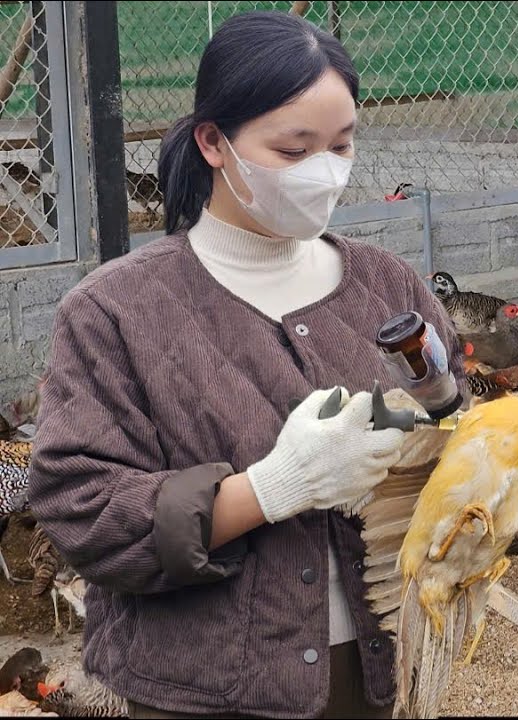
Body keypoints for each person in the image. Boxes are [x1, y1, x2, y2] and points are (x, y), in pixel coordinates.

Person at [27, 11, 467, 719]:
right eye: (294, 150)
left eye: (341, 145)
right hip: (205, 689)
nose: (324, 171)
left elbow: (451, 414)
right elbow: (89, 517)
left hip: (377, 667)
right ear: (213, 142)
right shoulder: (115, 313)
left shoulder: (387, 286)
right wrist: (270, 488)